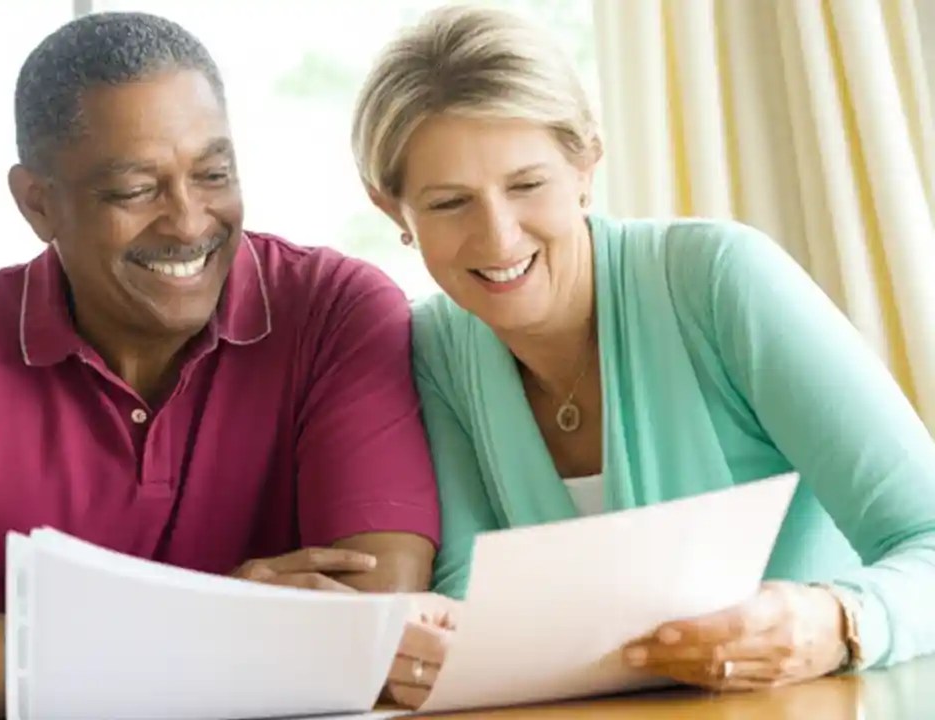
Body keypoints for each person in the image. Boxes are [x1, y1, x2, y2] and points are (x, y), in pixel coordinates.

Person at [0, 12, 441, 718]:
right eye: (135, 190)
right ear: (39, 204)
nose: (189, 221)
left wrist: (100, 653)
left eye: (213, 174)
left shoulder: (337, 312)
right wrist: (209, 629)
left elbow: (376, 629)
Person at [352, 5, 935, 708]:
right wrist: (434, 643)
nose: (499, 237)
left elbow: (926, 533)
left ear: (586, 166)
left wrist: (836, 622)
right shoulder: (432, 350)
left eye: (527, 185)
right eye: (450, 203)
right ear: (394, 212)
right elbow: (471, 600)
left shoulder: (719, 280)